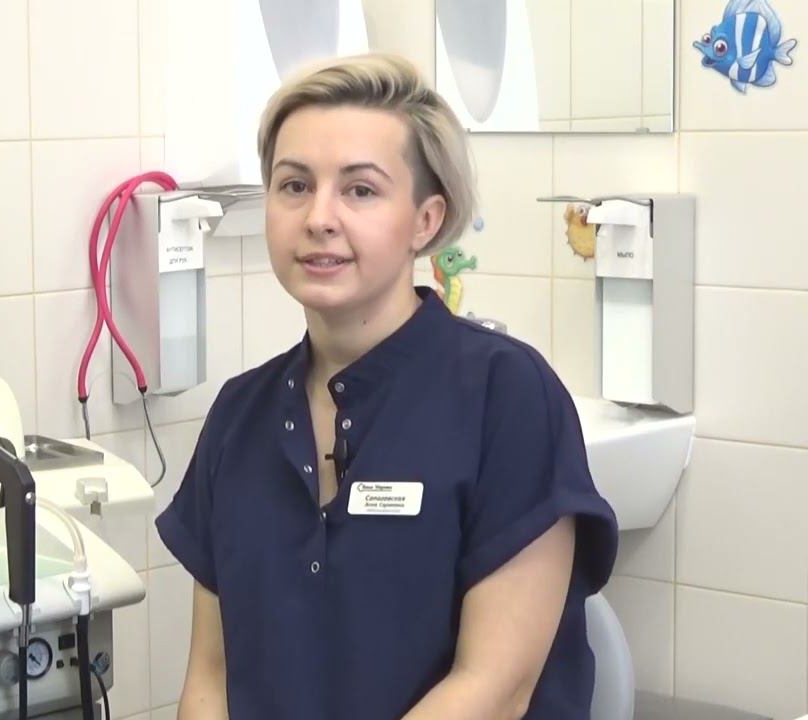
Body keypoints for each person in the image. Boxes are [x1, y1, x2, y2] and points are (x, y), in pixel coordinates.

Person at [155, 53, 618, 719]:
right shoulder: (240, 415)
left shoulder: (507, 395)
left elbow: (494, 690)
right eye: (294, 185)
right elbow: (209, 676)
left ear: (426, 221)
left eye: (360, 191)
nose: (319, 217)